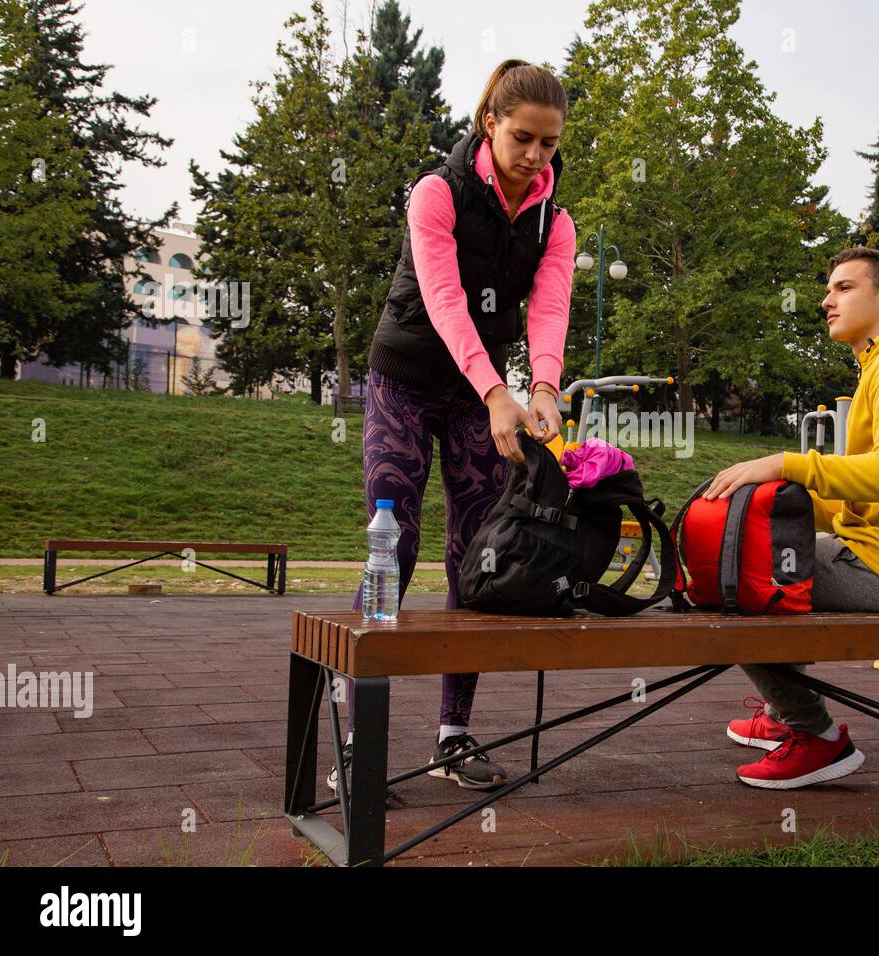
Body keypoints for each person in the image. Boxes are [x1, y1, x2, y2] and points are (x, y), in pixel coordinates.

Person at [331, 60, 576, 792]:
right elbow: (444, 302)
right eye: (523, 138)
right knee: (391, 551)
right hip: (406, 378)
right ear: (489, 124)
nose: (536, 156)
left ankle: (453, 733)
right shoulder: (436, 193)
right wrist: (498, 389)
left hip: (486, 394)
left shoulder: (554, 222)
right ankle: (355, 744)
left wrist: (546, 387)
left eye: (550, 143)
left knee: (480, 558)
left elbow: (550, 308)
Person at [701, 247, 879, 789]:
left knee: (744, 575)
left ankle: (816, 735)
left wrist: (786, 464)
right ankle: (786, 714)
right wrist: (782, 493)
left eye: (844, 288)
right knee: (764, 546)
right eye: (828, 291)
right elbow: (867, 498)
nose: (828, 301)